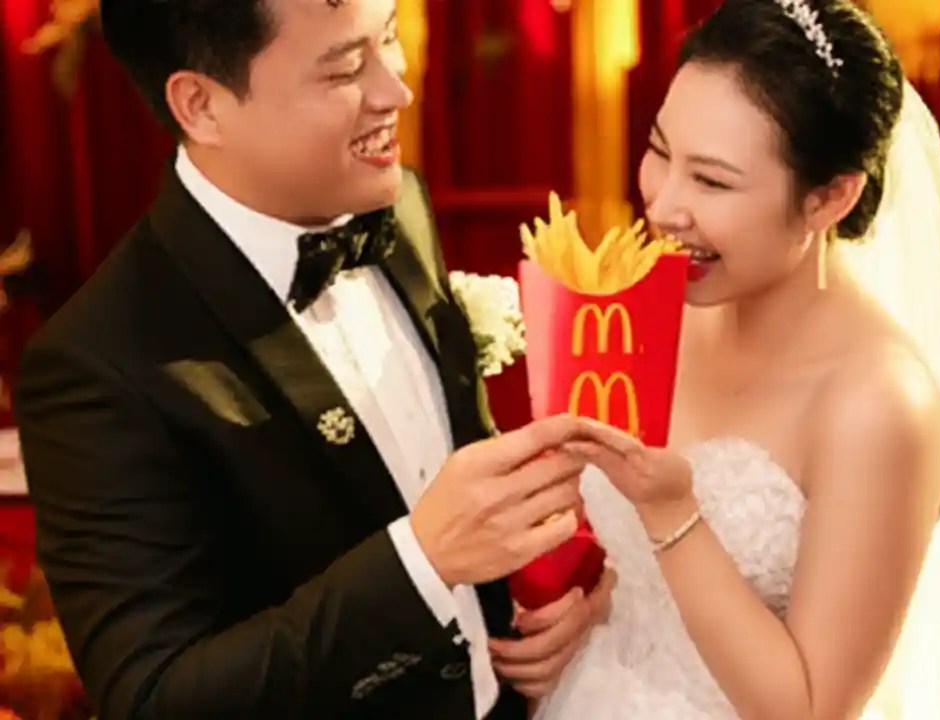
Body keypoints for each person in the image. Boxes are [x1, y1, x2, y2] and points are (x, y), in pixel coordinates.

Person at [13, 1, 611, 718]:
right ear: (201, 105)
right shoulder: (98, 362)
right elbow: (156, 697)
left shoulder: (397, 205)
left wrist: (555, 603)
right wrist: (422, 561)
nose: (397, 89)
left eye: (388, 37)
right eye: (345, 69)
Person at [535, 1, 940, 718]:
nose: (665, 206)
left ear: (831, 196)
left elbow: (811, 707)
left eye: (714, 182)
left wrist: (672, 513)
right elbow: (634, 581)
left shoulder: (881, 401)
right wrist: (579, 607)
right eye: (660, 151)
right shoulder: (658, 309)